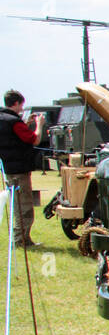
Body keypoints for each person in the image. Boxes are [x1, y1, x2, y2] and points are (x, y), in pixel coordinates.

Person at [0, 90, 44, 246]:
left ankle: (19, 238)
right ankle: (21, 240)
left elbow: (11, 136)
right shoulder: (14, 122)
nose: (22, 109)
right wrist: (39, 125)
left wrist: (25, 124)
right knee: (24, 207)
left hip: (8, 169)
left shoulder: (3, 119)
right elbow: (35, 139)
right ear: (17, 103)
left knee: (16, 204)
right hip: (19, 170)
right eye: (21, 105)